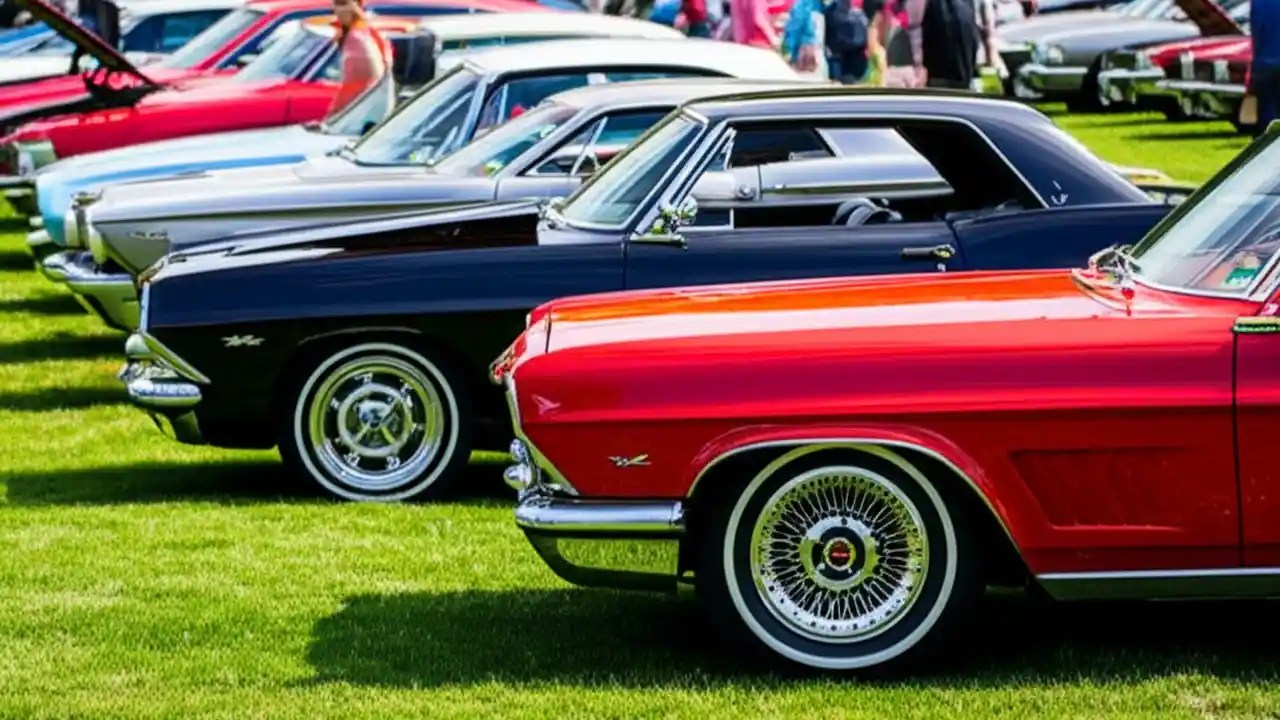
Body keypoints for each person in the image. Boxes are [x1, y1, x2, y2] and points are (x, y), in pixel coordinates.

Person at [328, 0, 393, 118]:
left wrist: (334, 114)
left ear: (357, 6)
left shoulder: (356, 39)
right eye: (337, 4)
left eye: (343, 4)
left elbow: (355, 87)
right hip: (374, 108)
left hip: (359, 114)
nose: (338, 10)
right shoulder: (370, 32)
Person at [1252, 0, 1279, 135]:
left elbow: (1256, 31)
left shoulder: (1258, 3)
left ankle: (1265, 140)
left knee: (1266, 109)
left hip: (1263, 62)